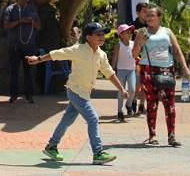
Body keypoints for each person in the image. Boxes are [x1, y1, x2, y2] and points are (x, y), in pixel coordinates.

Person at [27, 23, 127, 166]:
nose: (101, 37)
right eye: (98, 34)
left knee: (67, 120)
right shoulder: (78, 50)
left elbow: (109, 73)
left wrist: (121, 89)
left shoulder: (101, 54)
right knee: (93, 118)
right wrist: (38, 59)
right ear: (88, 37)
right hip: (75, 91)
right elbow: (57, 54)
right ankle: (98, 152)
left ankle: (51, 146)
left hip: (85, 92)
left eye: (102, 34)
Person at [132, 4, 190, 147]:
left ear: (159, 17)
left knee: (169, 104)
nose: (149, 18)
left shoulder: (167, 32)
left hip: (167, 69)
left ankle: (171, 136)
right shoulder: (142, 32)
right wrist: (140, 43)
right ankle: (152, 135)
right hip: (148, 70)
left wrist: (184, 68)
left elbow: (177, 51)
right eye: (147, 15)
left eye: (152, 15)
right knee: (151, 103)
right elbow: (134, 54)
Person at [2, 0, 40, 103]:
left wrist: (32, 21)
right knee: (14, 71)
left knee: (28, 71)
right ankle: (13, 95)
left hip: (28, 45)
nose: (23, 1)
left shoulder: (32, 9)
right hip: (14, 45)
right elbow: (6, 25)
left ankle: (29, 95)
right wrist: (20, 21)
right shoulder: (10, 9)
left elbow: (39, 27)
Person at [111, 24, 137, 122]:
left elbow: (135, 55)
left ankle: (129, 105)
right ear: (121, 35)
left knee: (132, 89)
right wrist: (112, 69)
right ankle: (120, 112)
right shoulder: (119, 45)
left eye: (130, 32)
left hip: (131, 70)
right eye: (127, 32)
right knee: (121, 91)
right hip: (121, 70)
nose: (129, 33)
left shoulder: (133, 44)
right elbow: (115, 58)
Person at [130, 2, 149, 115]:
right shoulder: (132, 26)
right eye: (144, 11)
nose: (146, 14)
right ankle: (133, 103)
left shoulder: (150, 26)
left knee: (146, 84)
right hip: (136, 58)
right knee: (137, 84)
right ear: (138, 12)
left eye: (148, 11)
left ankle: (142, 104)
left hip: (148, 58)